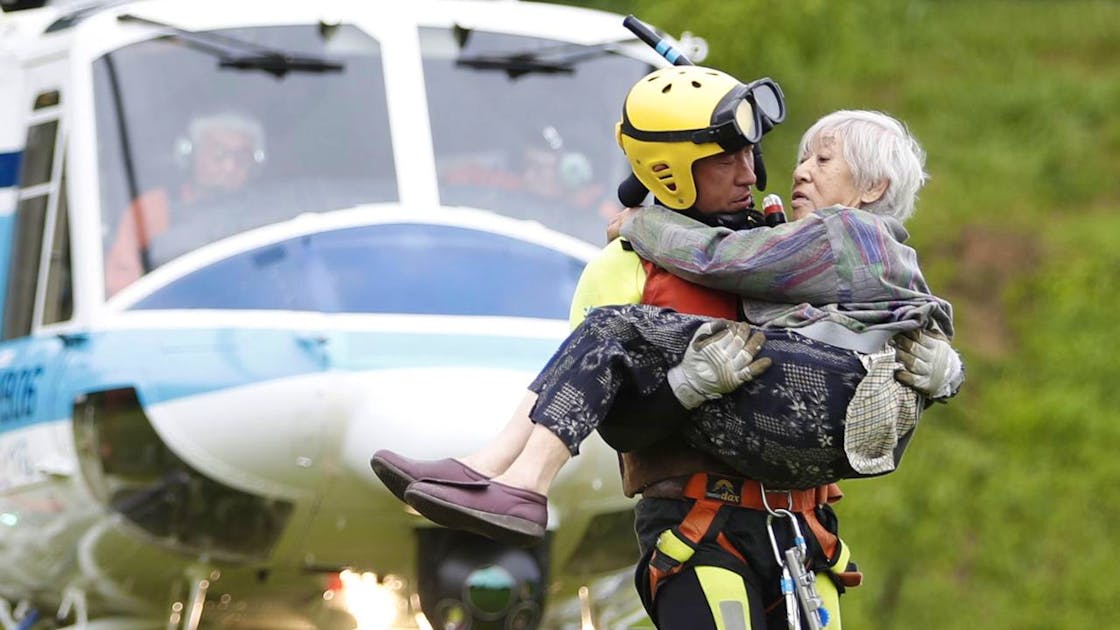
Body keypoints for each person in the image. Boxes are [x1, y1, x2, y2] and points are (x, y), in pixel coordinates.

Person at [373, 67, 962, 628]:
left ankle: (511, 476)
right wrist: (686, 386)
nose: (774, 173)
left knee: (611, 332)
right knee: (609, 334)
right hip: (727, 506)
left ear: (874, 187)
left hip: (803, 494)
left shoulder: (823, 238)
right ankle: (499, 472)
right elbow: (624, 428)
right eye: (730, 158)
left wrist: (638, 222)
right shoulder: (819, 249)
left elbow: (718, 260)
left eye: (820, 159)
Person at [104, 111, 266, 296]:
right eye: (218, 154)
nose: (229, 167)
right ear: (189, 154)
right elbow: (119, 286)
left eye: (241, 158)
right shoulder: (152, 209)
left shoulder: (263, 213)